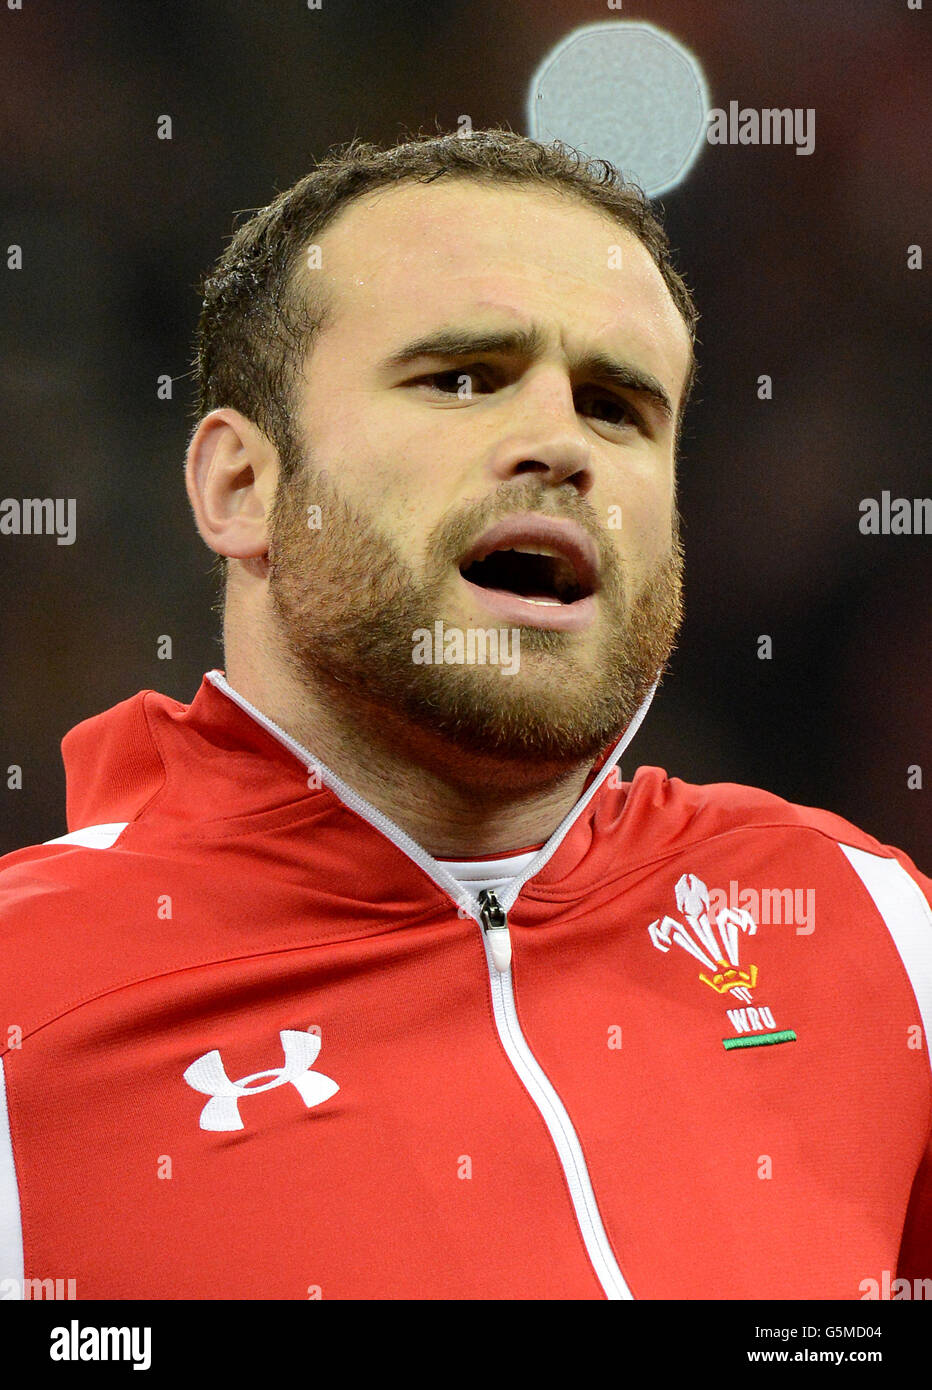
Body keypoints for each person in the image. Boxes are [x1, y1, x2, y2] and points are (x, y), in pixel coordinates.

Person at [0, 130, 928, 1301]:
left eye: (616, 406)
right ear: (243, 487)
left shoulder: (870, 929)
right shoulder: (23, 1012)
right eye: (462, 378)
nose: (560, 447)